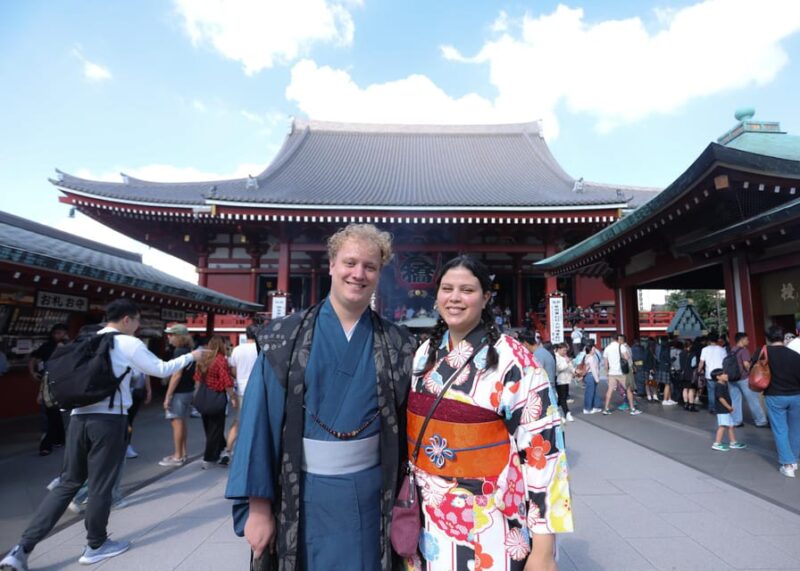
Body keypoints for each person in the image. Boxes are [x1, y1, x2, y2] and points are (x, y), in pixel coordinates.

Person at [226, 224, 416, 570]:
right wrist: (258, 507)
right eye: (350, 263)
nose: (358, 274)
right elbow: (257, 427)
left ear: (379, 274)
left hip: (373, 494)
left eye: (370, 267)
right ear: (331, 264)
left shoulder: (398, 343)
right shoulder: (285, 338)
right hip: (302, 492)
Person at [1, 300, 204, 570]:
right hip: (109, 421)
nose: (139, 325)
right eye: (138, 320)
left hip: (77, 418)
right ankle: (95, 545)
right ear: (127, 320)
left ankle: (21, 549)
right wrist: (193, 356)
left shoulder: (86, 339)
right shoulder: (128, 343)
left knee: (67, 483)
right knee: (100, 485)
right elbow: (161, 369)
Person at [405, 255, 572, 571]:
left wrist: (544, 547)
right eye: (447, 288)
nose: (455, 298)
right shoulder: (425, 354)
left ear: (485, 297)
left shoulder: (514, 359)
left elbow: (544, 452)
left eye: (467, 290)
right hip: (427, 516)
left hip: (490, 517)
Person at [761, 325, 800, 478]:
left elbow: (753, 369)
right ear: (782, 337)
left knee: (780, 429)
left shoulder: (763, 352)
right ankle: (794, 459)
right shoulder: (795, 355)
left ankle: (787, 463)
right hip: (796, 396)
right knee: (796, 429)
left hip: (774, 395)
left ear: (768, 338)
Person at [194, 335, 237, 468]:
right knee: (216, 427)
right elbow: (226, 381)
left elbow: (197, 378)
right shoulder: (220, 360)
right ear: (221, 345)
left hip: (203, 394)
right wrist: (233, 397)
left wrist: (196, 395)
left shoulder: (203, 359)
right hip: (216, 396)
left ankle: (220, 449)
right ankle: (209, 458)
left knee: (209, 427)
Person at [28, 323, 69, 455]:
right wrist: (33, 373)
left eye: (62, 333)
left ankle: (58, 439)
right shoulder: (47, 347)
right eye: (57, 333)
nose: (60, 335)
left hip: (65, 385)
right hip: (50, 384)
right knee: (50, 414)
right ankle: (47, 443)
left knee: (57, 415)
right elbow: (34, 360)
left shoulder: (70, 346)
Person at [159, 324, 196, 467]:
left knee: (176, 422)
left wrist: (167, 395)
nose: (168, 337)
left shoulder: (178, 352)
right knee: (182, 422)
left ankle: (178, 455)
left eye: (171, 334)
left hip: (179, 392)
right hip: (188, 390)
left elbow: (176, 375)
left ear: (178, 336)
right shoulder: (188, 351)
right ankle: (182, 452)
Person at [226, 324, 259, 457]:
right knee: (256, 419)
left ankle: (228, 450)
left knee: (239, 420)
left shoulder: (237, 349)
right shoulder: (260, 349)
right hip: (256, 388)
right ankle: (251, 449)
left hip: (241, 387)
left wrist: (238, 376)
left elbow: (232, 368)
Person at [727, 332, 769, 428]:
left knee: (735, 400)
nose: (748, 341)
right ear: (742, 340)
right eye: (747, 339)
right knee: (753, 400)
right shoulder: (744, 351)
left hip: (732, 379)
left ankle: (736, 421)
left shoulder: (732, 350)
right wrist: (751, 372)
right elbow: (746, 364)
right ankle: (761, 421)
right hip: (743, 378)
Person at [602, 333, 642, 416]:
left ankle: (606, 409)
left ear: (611, 339)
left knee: (610, 390)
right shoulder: (621, 346)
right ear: (618, 339)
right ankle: (632, 409)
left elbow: (605, 364)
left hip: (612, 373)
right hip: (621, 372)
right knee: (628, 389)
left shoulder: (607, 348)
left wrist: (607, 374)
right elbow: (627, 357)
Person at [709, 368, 747, 451]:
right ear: (718, 377)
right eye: (723, 374)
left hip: (725, 410)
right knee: (722, 426)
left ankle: (733, 442)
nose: (726, 375)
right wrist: (728, 407)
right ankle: (717, 443)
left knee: (730, 426)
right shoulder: (719, 386)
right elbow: (721, 398)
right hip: (722, 410)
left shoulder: (724, 385)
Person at [125, 368, 151, 459]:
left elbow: (145, 373)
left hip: (137, 391)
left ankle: (127, 445)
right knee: (125, 421)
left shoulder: (141, 357)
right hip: (126, 392)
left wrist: (148, 389)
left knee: (130, 420)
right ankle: (123, 446)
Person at [698, 334, 727, 413]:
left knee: (711, 392)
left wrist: (699, 370)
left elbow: (701, 362)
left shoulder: (704, 349)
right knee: (721, 391)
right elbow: (725, 362)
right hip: (721, 374)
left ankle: (712, 408)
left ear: (709, 341)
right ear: (717, 340)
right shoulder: (722, 349)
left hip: (709, 374)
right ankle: (721, 406)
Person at [581, 341, 603, 414]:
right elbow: (593, 369)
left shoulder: (587, 356)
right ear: (590, 350)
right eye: (593, 349)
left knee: (592, 392)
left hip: (589, 376)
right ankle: (587, 408)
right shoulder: (591, 358)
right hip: (591, 376)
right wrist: (597, 379)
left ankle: (595, 406)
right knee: (590, 393)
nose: (594, 350)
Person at [555, 342, 575, 421]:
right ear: (559, 349)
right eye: (563, 350)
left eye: (566, 351)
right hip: (560, 380)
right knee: (563, 398)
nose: (565, 352)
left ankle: (556, 412)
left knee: (562, 398)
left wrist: (574, 371)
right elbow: (559, 368)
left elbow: (570, 366)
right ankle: (567, 413)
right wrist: (566, 362)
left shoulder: (565, 357)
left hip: (567, 380)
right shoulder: (556, 357)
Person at [678, 340, 699, 412]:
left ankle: (685, 404)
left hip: (683, 373)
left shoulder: (681, 353)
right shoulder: (693, 354)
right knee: (691, 389)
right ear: (690, 345)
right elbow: (693, 365)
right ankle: (691, 405)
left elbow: (679, 364)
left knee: (685, 389)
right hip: (690, 373)